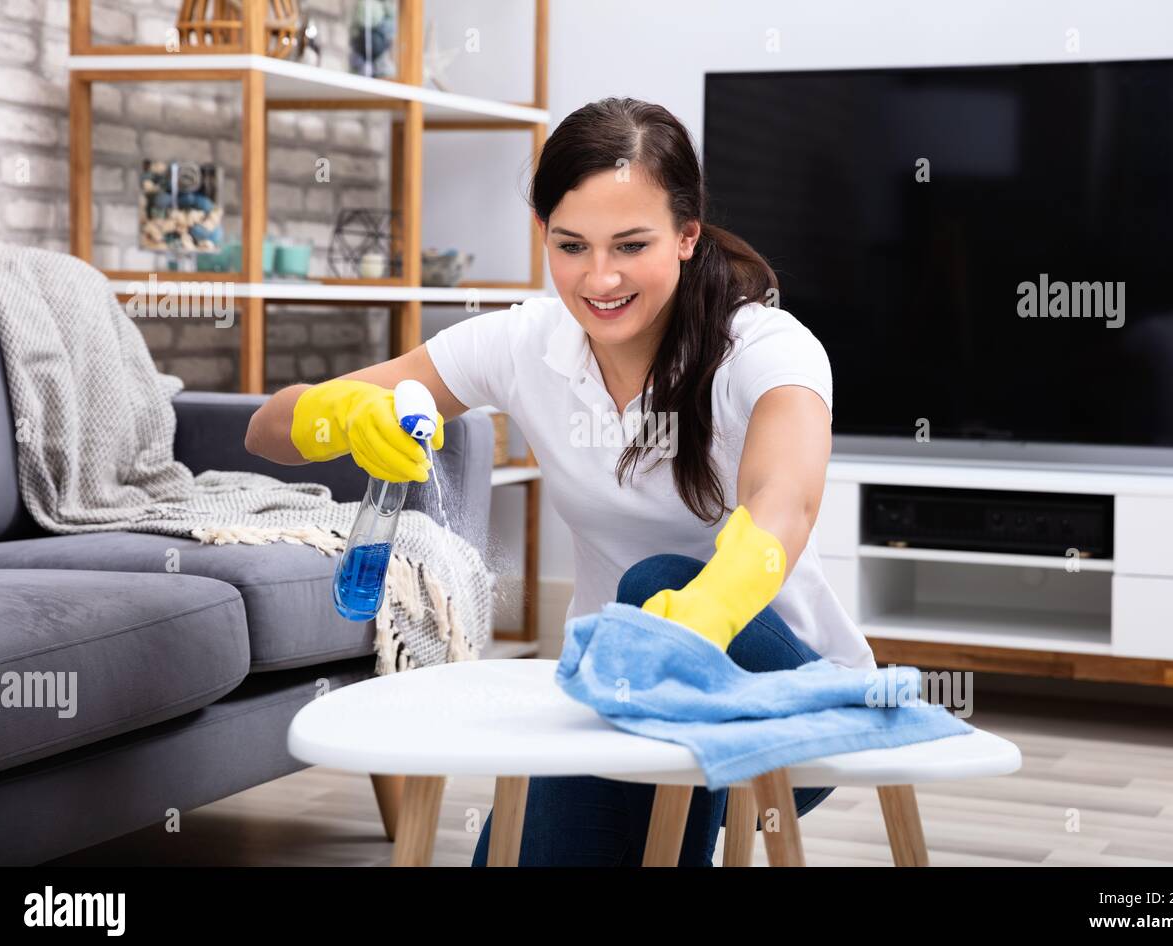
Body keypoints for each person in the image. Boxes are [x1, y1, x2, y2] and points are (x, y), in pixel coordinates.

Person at [244, 96, 876, 866]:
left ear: (686, 234)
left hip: (786, 691)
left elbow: (786, 504)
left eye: (630, 244)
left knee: (653, 586)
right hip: (615, 695)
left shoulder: (766, 348)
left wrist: (703, 611)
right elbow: (266, 429)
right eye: (572, 245)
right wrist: (340, 417)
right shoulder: (524, 342)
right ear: (544, 234)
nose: (599, 277)